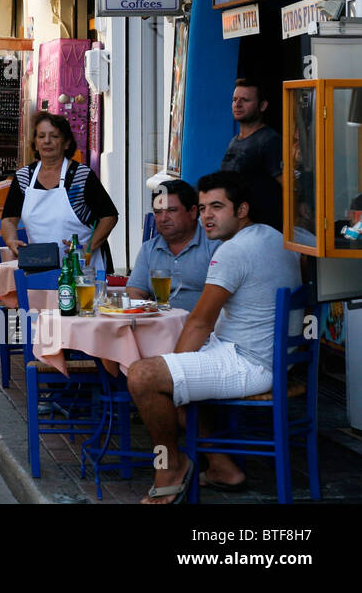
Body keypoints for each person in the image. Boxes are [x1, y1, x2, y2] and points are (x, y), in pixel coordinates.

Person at [126, 171, 302, 502]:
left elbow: (199, 323)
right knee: (167, 377)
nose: (207, 215)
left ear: (242, 209)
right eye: (204, 206)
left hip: (249, 362)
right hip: (269, 357)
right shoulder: (278, 238)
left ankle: (171, 466)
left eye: (217, 207)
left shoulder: (232, 251)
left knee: (143, 376)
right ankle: (223, 468)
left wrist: (170, 369)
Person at [0, 111, 118, 272]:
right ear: (35, 143)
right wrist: (11, 240)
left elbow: (109, 216)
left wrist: (87, 248)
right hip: (39, 268)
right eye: (41, 136)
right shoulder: (23, 178)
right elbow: (8, 219)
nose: (47, 141)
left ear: (66, 143)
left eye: (54, 136)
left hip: (83, 270)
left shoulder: (81, 176)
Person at [126, 179, 219, 312]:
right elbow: (134, 292)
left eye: (171, 210)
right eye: (158, 212)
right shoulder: (149, 249)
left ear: (193, 212)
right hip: (159, 326)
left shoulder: (214, 245)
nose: (163, 218)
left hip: (204, 329)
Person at [219, 78, 283, 230]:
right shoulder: (234, 141)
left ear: (263, 106)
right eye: (235, 99)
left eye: (245, 100)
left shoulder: (270, 140)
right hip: (234, 228)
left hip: (261, 228)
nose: (238, 104)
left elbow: (288, 186)